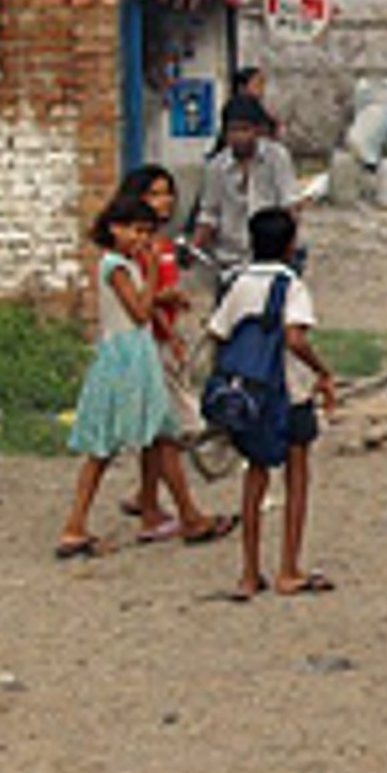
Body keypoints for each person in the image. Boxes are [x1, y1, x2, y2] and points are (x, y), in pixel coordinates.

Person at [58, 196, 236, 559]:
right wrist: (154, 271)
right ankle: (75, 527)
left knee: (158, 437)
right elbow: (138, 312)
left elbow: (142, 305)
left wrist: (161, 298)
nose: (142, 239)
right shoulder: (116, 265)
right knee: (110, 445)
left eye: (147, 233)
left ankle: (186, 515)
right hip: (126, 359)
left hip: (133, 355)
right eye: (137, 231)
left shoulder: (123, 265)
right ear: (115, 228)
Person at [207, 207, 336, 600]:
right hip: (290, 392)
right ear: (289, 244)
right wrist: (323, 372)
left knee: (255, 475)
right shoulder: (291, 286)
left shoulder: (239, 283)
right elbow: (295, 338)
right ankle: (288, 568)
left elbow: (218, 333)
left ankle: (249, 572)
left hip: (250, 394)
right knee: (297, 478)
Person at [114, 165, 231, 543]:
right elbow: (140, 302)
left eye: (167, 194)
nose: (163, 202)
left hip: (163, 341)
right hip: (150, 345)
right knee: (169, 432)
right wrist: (168, 317)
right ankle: (188, 514)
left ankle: (148, 502)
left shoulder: (162, 244)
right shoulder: (138, 249)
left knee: (156, 433)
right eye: (154, 195)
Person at [194, 99, 300, 275]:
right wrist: (195, 246)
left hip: (270, 258)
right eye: (233, 130)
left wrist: (289, 247)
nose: (239, 137)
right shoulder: (216, 167)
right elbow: (209, 213)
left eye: (245, 129)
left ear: (257, 131)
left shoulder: (276, 158)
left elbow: (289, 205)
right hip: (229, 258)